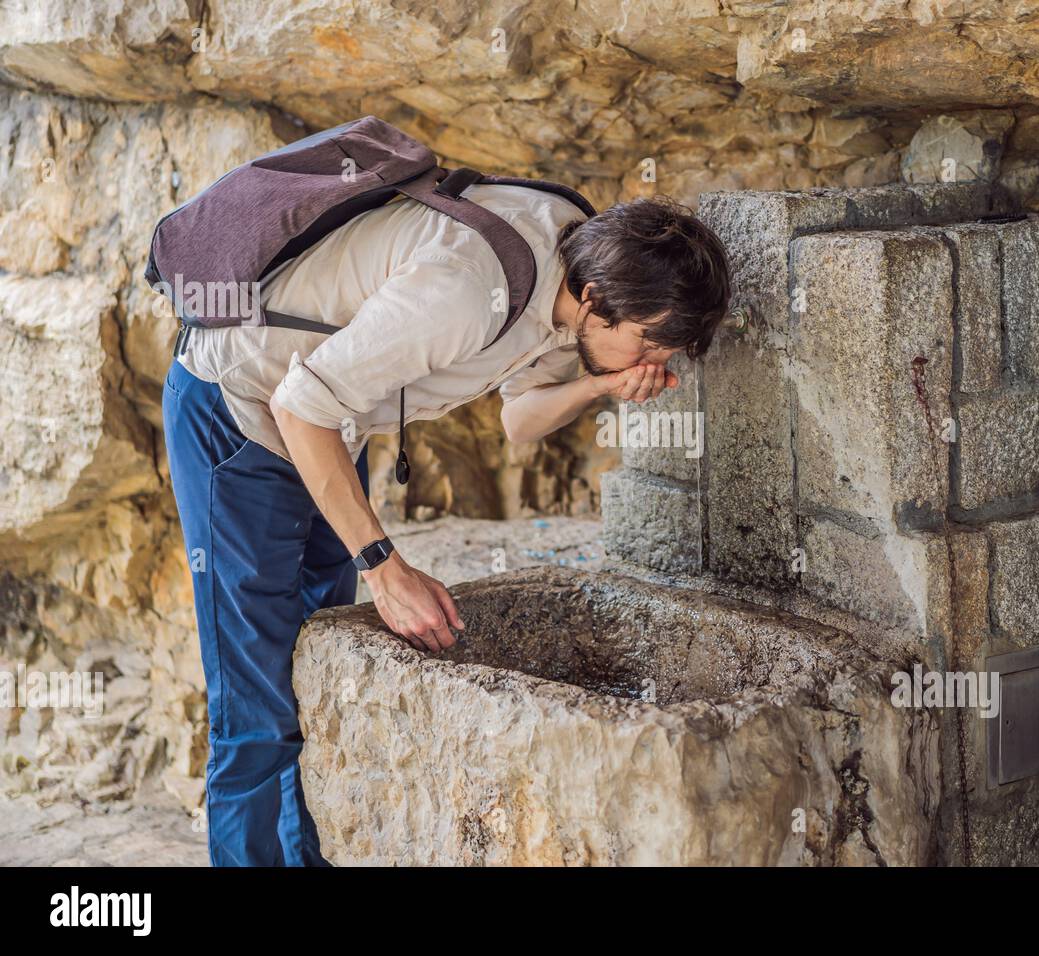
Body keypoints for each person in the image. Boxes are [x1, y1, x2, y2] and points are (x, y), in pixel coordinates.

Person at [161, 185, 733, 866]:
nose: (654, 364)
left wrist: (599, 385)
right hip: (240, 407)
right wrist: (383, 565)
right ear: (595, 302)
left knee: (304, 672)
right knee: (255, 705)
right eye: (651, 343)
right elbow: (299, 404)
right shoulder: (464, 288)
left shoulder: (577, 264)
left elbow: (518, 419)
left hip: (328, 422)